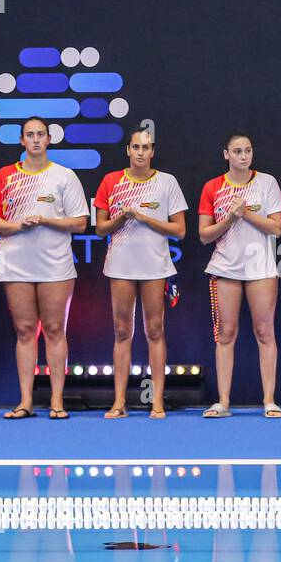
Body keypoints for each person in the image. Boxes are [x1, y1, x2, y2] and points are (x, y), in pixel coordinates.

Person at [0, 116, 89, 419]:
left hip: (55, 263)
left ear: (49, 139)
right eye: (30, 135)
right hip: (16, 262)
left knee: (55, 329)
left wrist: (45, 220)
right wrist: (19, 225)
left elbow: (80, 222)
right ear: (21, 141)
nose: (36, 140)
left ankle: (57, 401)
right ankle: (25, 401)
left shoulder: (64, 176)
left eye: (41, 134)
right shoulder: (6, 176)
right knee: (25, 330)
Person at [94, 127, 188, 419]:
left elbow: (180, 230)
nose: (140, 152)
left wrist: (146, 218)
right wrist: (121, 217)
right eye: (136, 147)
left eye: (145, 148)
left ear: (152, 152)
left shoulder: (167, 182)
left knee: (155, 330)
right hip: (121, 265)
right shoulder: (111, 181)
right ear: (128, 150)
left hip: (154, 265)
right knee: (122, 331)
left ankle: (157, 402)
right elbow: (100, 228)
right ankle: (119, 402)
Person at [197, 132, 281, 418]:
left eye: (247, 151)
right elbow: (204, 235)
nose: (243, 156)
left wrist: (246, 214)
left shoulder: (267, 183)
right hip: (225, 268)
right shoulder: (212, 187)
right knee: (226, 334)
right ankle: (223, 402)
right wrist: (230, 218)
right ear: (226, 155)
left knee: (264, 332)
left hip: (261, 269)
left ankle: (269, 400)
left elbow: (276, 228)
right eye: (237, 151)